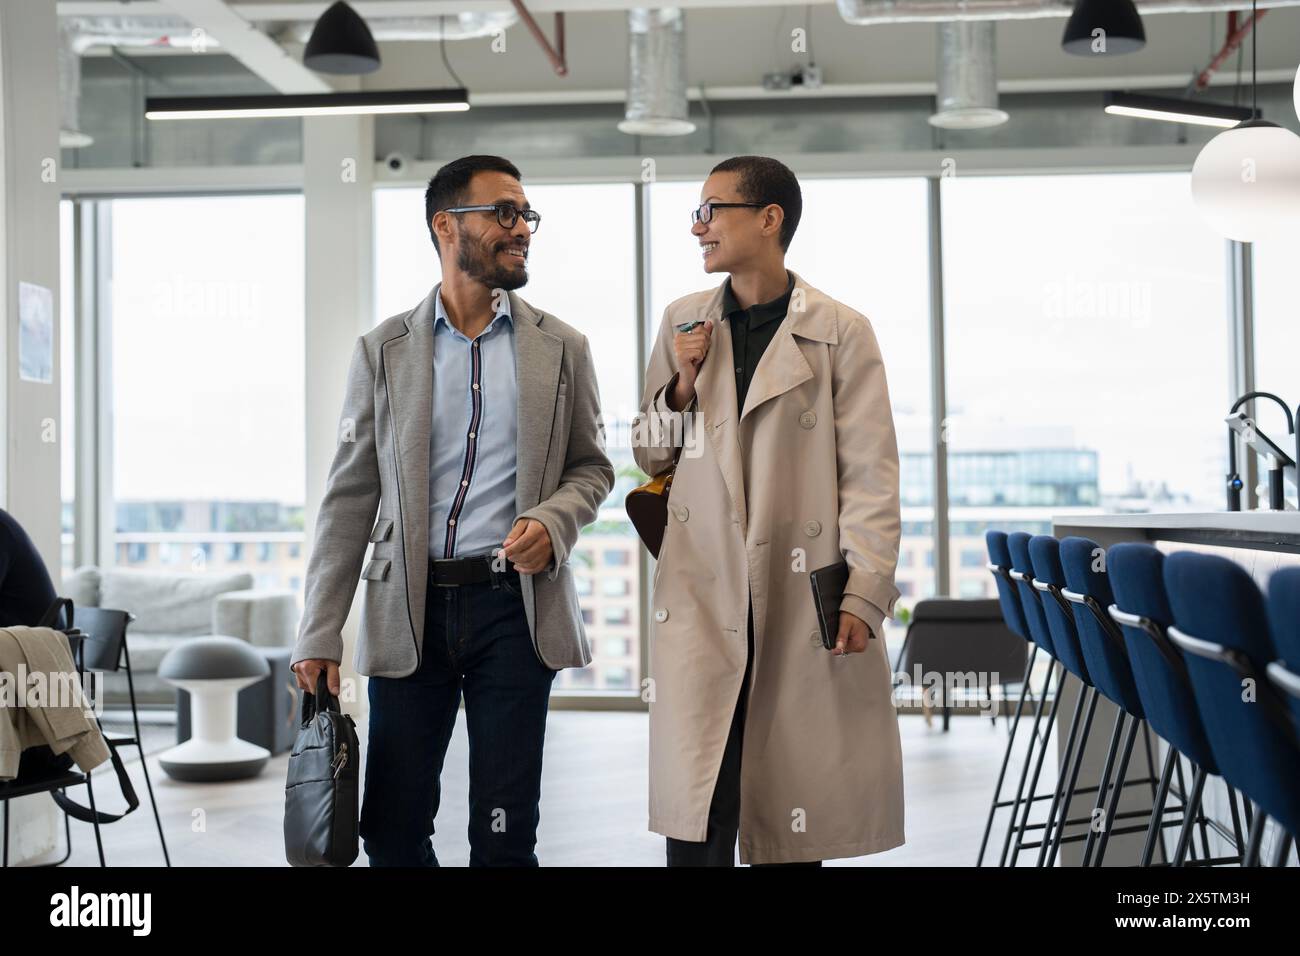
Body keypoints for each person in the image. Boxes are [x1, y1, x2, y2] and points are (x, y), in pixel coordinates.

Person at [290, 155, 614, 867]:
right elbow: (349, 495)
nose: (521, 228)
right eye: (504, 212)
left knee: (503, 836)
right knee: (393, 829)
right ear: (447, 225)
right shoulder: (384, 351)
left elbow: (592, 467)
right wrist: (319, 631)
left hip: (514, 610)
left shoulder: (562, 349)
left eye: (526, 214)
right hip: (409, 613)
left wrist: (554, 521)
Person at [631, 155, 905, 866]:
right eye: (698, 211)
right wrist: (681, 386)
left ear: (769, 218)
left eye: (712, 209)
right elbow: (650, 454)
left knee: (794, 797)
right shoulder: (683, 320)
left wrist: (865, 594)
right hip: (705, 585)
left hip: (797, 586)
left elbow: (871, 475)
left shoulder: (842, 330)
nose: (699, 226)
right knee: (701, 799)